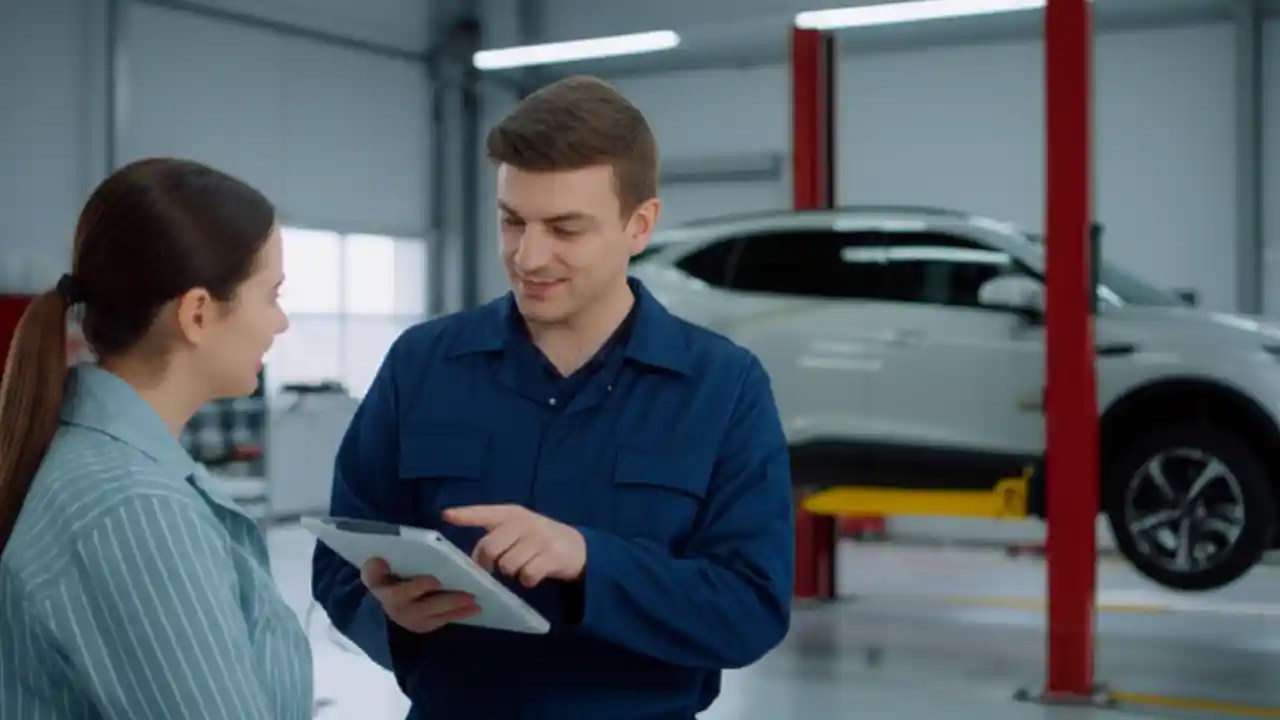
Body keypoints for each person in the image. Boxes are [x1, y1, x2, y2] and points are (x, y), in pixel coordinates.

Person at [312, 75, 795, 719]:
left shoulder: (723, 387)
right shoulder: (422, 365)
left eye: (566, 229)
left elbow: (751, 609)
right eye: (513, 222)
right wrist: (392, 616)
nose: (529, 257)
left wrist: (593, 561)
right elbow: (340, 564)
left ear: (639, 225)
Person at [0, 158, 313, 719]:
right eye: (271, 296)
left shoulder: (113, 470)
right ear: (196, 314)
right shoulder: (134, 511)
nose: (280, 323)